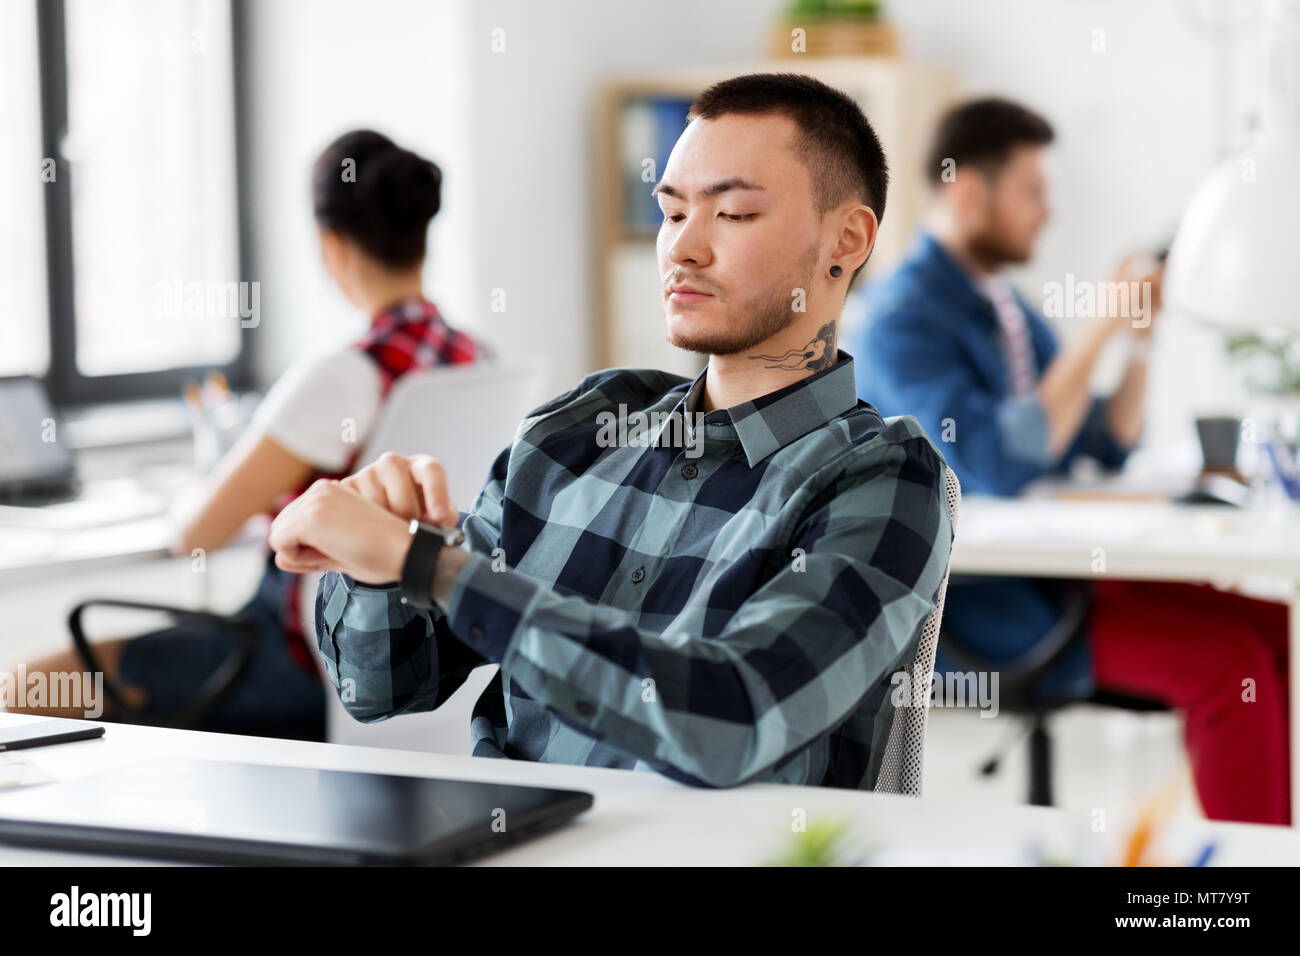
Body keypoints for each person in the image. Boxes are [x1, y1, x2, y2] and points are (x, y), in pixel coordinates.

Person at [267, 73, 953, 789]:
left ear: (846, 240)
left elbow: (734, 716)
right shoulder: (584, 428)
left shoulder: (882, 477)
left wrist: (428, 565)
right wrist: (377, 569)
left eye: (734, 215)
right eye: (673, 211)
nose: (683, 249)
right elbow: (382, 689)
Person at [850, 97, 1290, 824]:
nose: (1047, 212)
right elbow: (995, 460)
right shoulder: (901, 317)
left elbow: (1096, 438)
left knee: (1280, 633)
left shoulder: (1005, 308)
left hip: (1065, 576)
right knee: (1228, 668)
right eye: (1032, 192)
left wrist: (1138, 340)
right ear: (967, 190)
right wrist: (1098, 328)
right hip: (992, 605)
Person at [10, 130, 485, 741]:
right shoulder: (473, 357)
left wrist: (199, 486)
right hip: (409, 657)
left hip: (296, 658)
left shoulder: (342, 375)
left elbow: (195, 533)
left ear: (331, 246)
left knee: (26, 683)